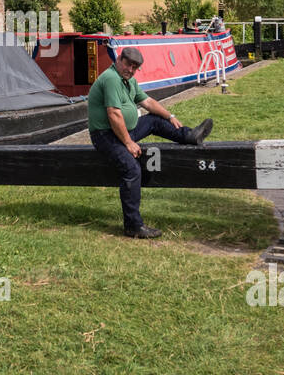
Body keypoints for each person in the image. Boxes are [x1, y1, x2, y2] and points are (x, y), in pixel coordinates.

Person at [88, 47, 213, 238]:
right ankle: (133, 226)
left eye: (135, 67)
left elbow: (148, 103)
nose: (130, 69)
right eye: (128, 64)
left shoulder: (129, 81)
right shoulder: (111, 79)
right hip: (105, 136)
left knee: (154, 120)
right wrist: (128, 142)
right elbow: (113, 113)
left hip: (122, 132)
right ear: (119, 60)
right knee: (131, 170)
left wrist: (170, 116)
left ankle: (189, 135)